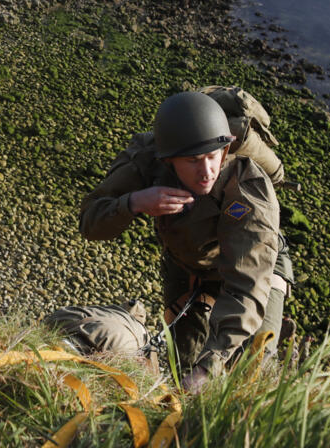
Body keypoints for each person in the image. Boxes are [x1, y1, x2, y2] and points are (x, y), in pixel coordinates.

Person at [78, 91, 294, 391]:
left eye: (212, 157)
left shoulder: (248, 189)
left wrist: (211, 366)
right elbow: (90, 221)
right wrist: (134, 202)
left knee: (251, 363)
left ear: (227, 148)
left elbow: (247, 287)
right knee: (183, 360)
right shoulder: (146, 162)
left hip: (257, 266)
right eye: (193, 161)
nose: (206, 171)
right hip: (189, 261)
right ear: (168, 160)